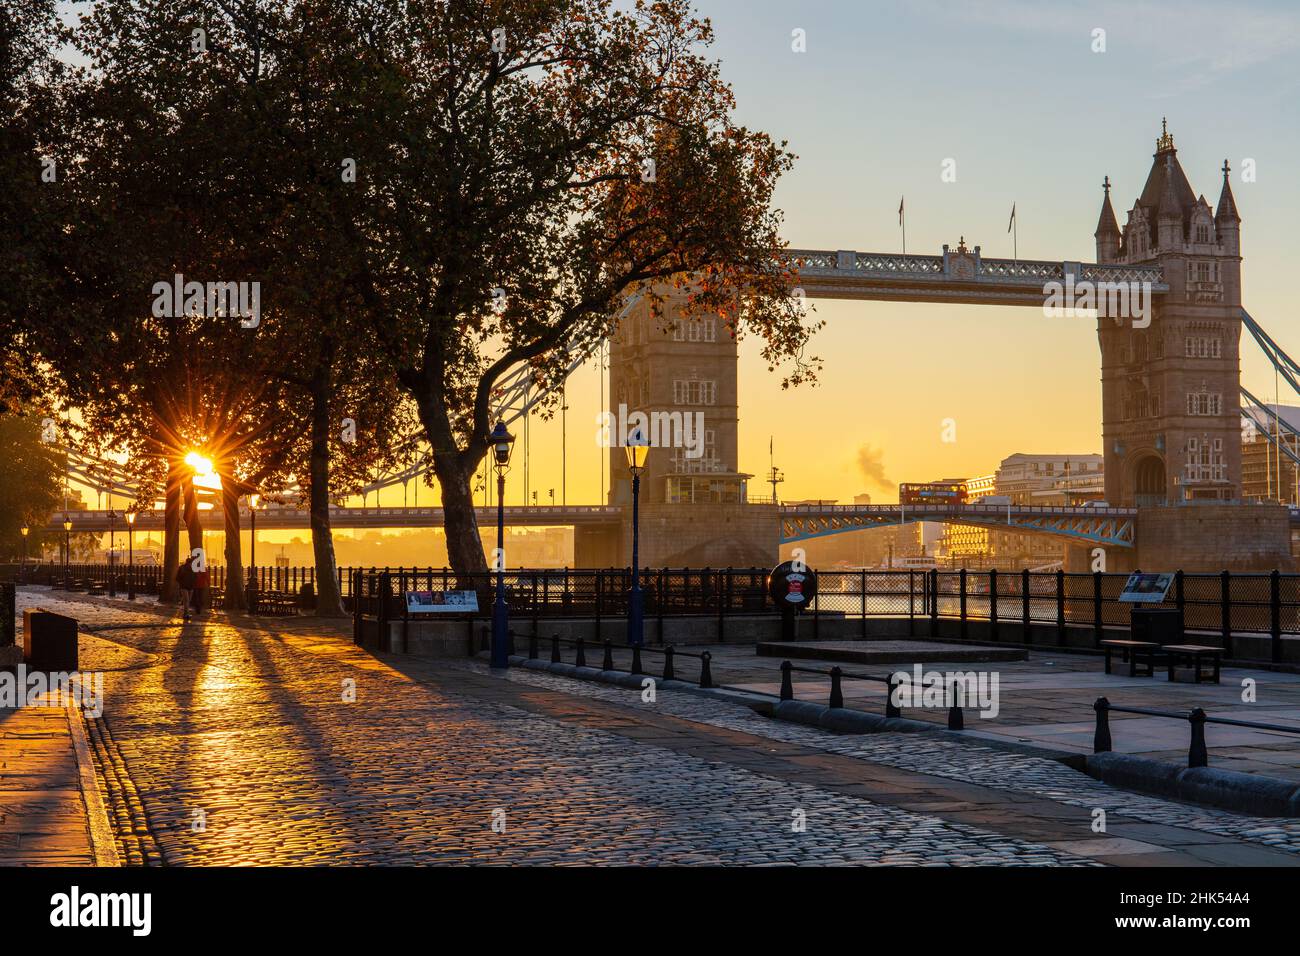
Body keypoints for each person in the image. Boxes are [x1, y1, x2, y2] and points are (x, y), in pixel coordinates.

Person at [176, 557, 197, 623]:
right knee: (187, 600)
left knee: (187, 601)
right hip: (185, 586)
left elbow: (195, 577)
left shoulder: (190, 568)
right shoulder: (183, 568)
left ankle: (186, 613)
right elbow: (178, 577)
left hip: (188, 586)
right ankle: (186, 614)